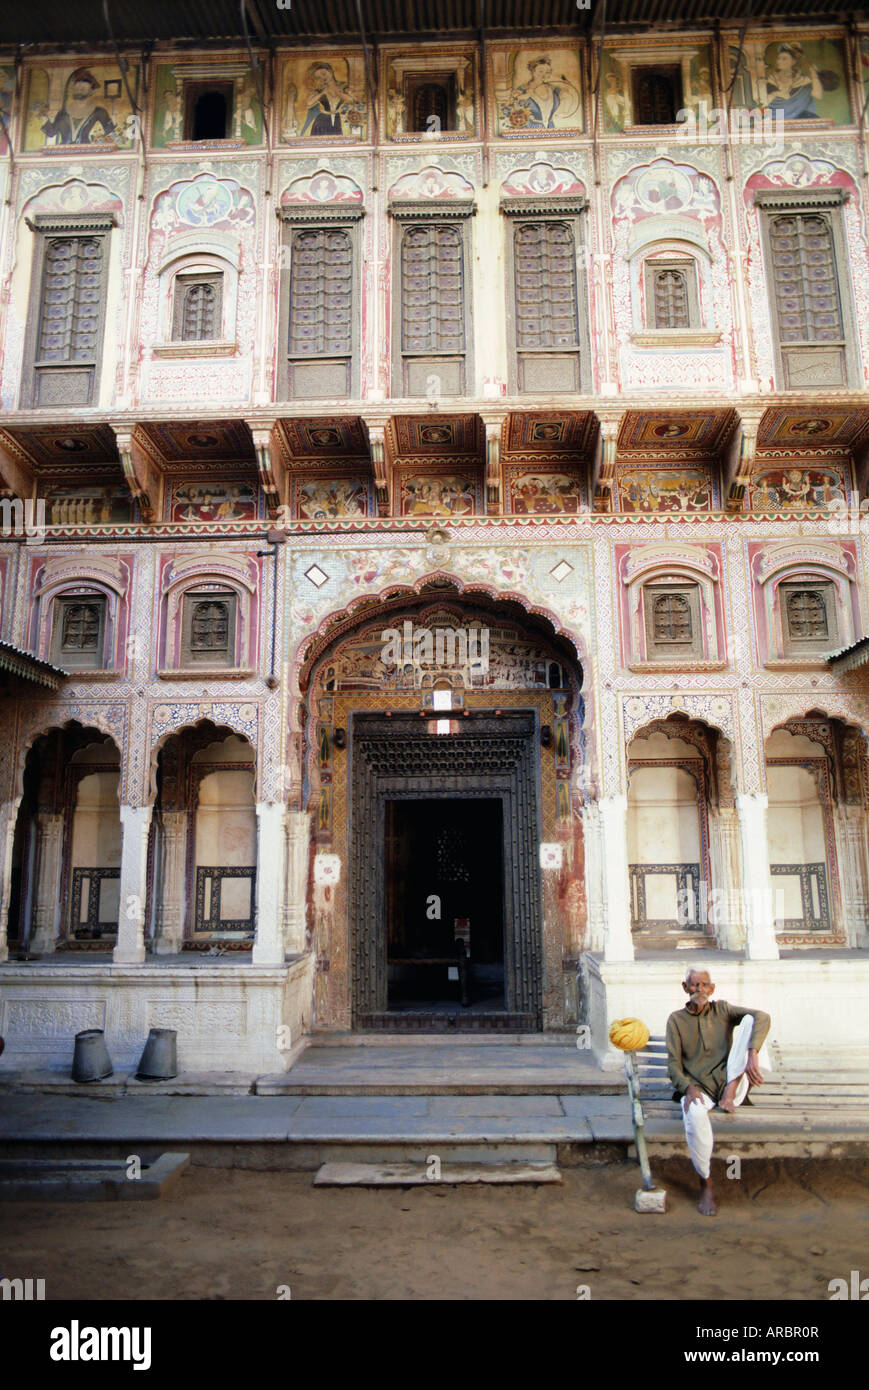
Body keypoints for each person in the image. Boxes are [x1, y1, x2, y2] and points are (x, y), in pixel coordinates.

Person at [666, 968, 770, 1216]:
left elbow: (763, 1016)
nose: (699, 990)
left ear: (712, 989)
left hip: (732, 1083)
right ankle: (706, 1182)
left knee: (749, 1021)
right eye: (694, 985)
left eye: (704, 985)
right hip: (699, 1088)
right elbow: (673, 1065)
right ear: (685, 988)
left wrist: (752, 1054)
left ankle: (730, 1092)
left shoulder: (722, 1010)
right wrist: (687, 1087)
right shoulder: (676, 1020)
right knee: (694, 1115)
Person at [38, 68, 116, 145]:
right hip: (63, 152)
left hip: (88, 152)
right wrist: (42, 115)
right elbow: (51, 133)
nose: (80, 90)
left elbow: (110, 132)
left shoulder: (99, 112)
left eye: (83, 88)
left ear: (91, 91)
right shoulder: (63, 113)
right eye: (77, 87)